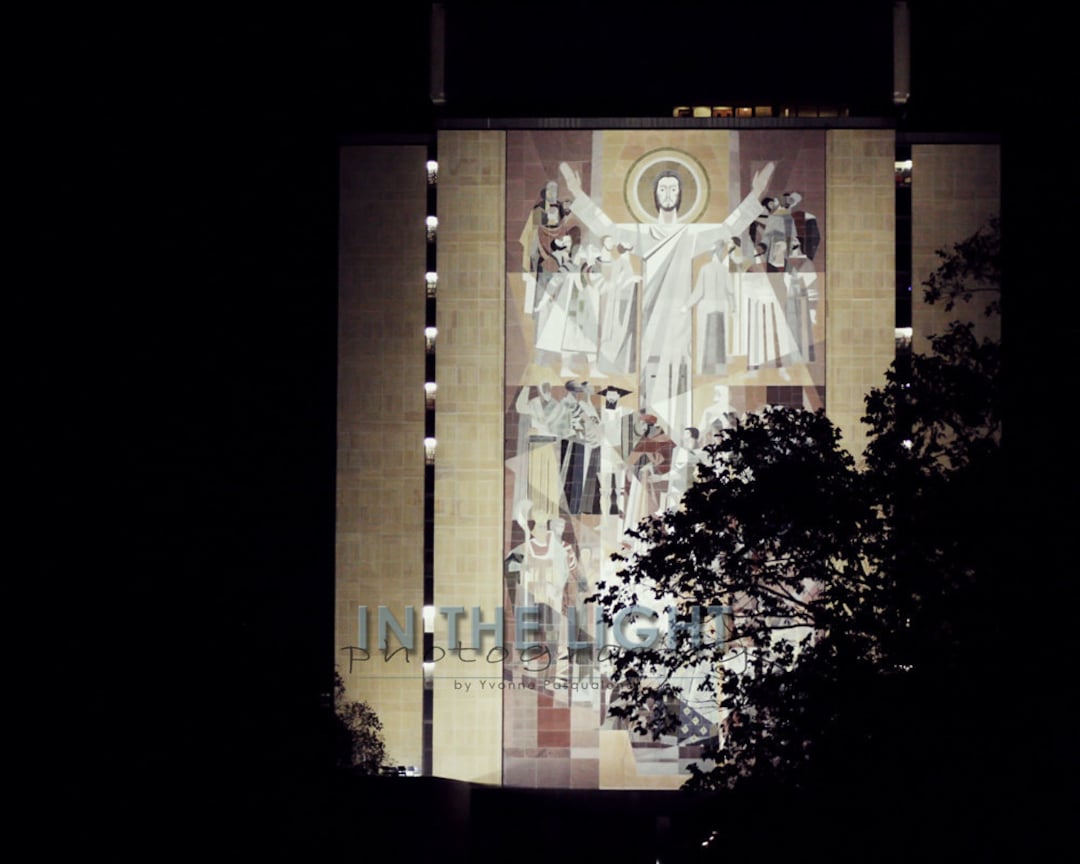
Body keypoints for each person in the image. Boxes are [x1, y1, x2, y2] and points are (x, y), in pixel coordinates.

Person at [559, 160, 775, 435]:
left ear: (681, 194)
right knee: (649, 376)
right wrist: (577, 193)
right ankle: (648, 434)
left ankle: (678, 435)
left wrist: (755, 194)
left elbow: (727, 230)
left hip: (679, 323)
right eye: (663, 188)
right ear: (655, 194)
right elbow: (607, 228)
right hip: (650, 319)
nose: (668, 194)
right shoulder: (642, 233)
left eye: (674, 188)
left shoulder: (690, 234)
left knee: (679, 376)